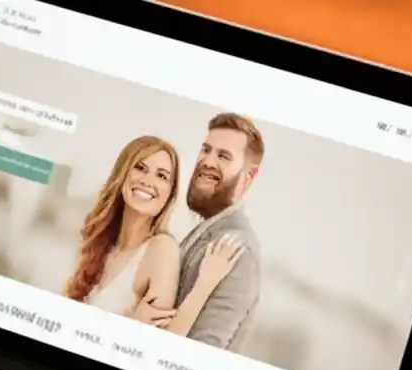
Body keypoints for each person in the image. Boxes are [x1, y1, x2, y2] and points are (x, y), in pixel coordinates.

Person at [65, 136, 243, 329]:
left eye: (162, 176)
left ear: (169, 194)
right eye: (140, 168)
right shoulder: (99, 245)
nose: (148, 181)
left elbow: (165, 341)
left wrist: (205, 285)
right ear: (122, 174)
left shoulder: (161, 250)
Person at [135, 113, 264, 350]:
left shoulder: (236, 249)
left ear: (249, 177)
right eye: (206, 150)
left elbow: (200, 354)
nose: (207, 162)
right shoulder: (207, 230)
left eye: (223, 156)